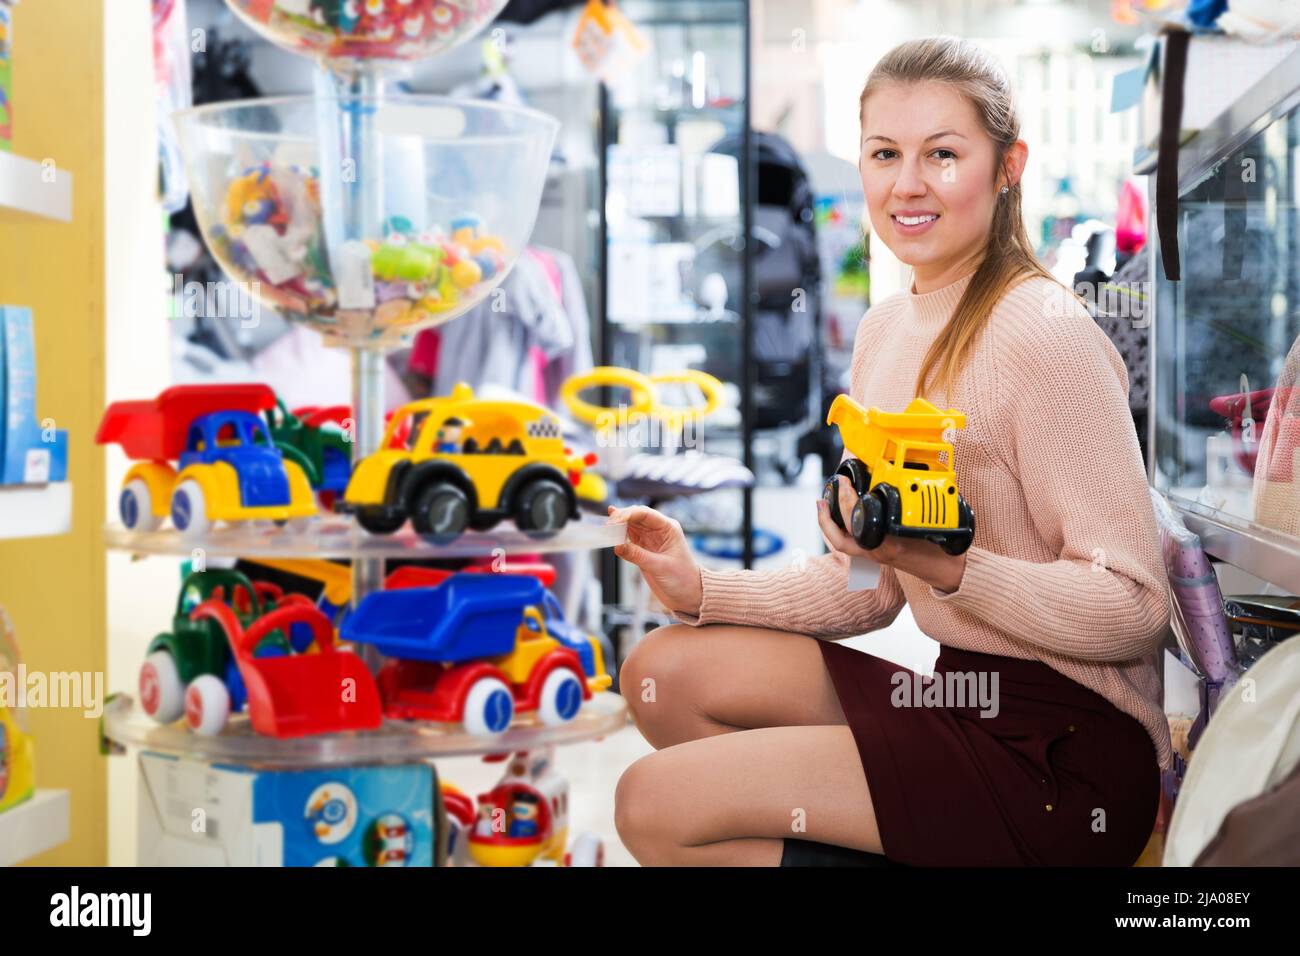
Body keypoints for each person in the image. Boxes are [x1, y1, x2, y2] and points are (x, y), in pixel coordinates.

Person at [607, 35, 1171, 867]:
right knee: (664, 667)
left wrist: (955, 570)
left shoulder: (1046, 335)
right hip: (959, 692)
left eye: (943, 154)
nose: (907, 184)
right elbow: (872, 589)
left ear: (1008, 164)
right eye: (884, 153)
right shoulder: (885, 329)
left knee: (650, 805)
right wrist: (704, 586)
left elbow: (1135, 604)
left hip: (1065, 749)